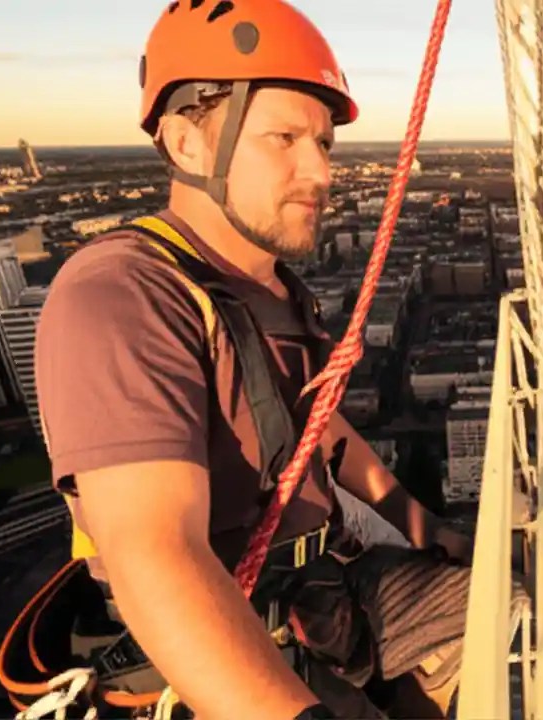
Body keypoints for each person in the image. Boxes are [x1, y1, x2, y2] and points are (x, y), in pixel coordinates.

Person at [33, 1, 476, 718]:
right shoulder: (123, 296)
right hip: (217, 641)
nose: (320, 171)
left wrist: (422, 525)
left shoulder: (268, 289)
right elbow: (158, 556)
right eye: (284, 138)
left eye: (324, 144)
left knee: (519, 606)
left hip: (322, 598)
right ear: (187, 144)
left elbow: (314, 432)